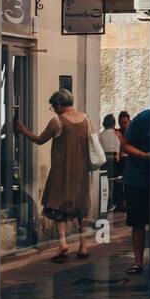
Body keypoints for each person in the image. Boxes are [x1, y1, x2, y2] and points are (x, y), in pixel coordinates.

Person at [15, 88, 92, 261]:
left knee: (57, 205)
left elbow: (40, 139)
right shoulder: (85, 118)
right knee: (81, 206)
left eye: (53, 106)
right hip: (81, 171)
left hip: (61, 171)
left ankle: (63, 244)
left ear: (58, 104)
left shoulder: (57, 121)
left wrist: (23, 130)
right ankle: (83, 245)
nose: (53, 109)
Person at [122, 106, 150, 276]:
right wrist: (145, 156)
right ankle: (138, 262)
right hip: (137, 179)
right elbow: (124, 145)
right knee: (138, 222)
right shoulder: (143, 118)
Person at [99, 113, 120, 211]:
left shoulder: (101, 135)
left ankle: (104, 204)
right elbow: (118, 146)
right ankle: (110, 203)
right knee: (112, 182)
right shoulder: (116, 134)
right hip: (113, 159)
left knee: (104, 182)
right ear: (113, 123)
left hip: (103, 159)